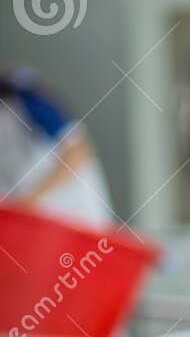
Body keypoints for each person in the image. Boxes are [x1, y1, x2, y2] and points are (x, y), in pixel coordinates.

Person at [0, 68, 113, 227]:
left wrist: (24, 203)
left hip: (75, 222)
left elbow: (78, 152)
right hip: (36, 228)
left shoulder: (28, 100)